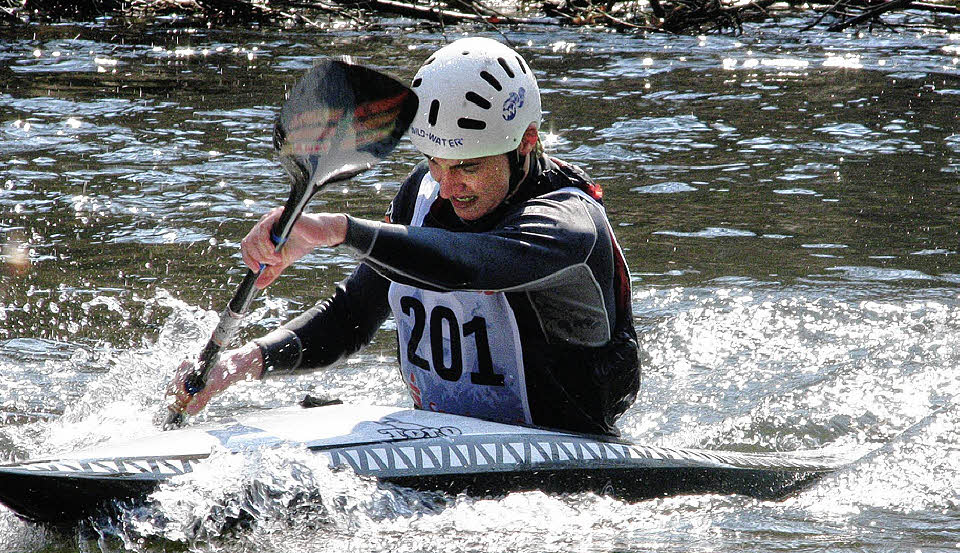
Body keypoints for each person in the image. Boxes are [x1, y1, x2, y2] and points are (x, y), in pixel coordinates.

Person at [169, 37, 640, 435]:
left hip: (562, 450)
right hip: (440, 439)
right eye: (435, 162)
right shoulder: (424, 191)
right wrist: (247, 361)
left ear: (527, 142)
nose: (448, 184)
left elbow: (464, 268)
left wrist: (336, 230)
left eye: (467, 167)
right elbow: (353, 313)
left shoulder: (569, 226)